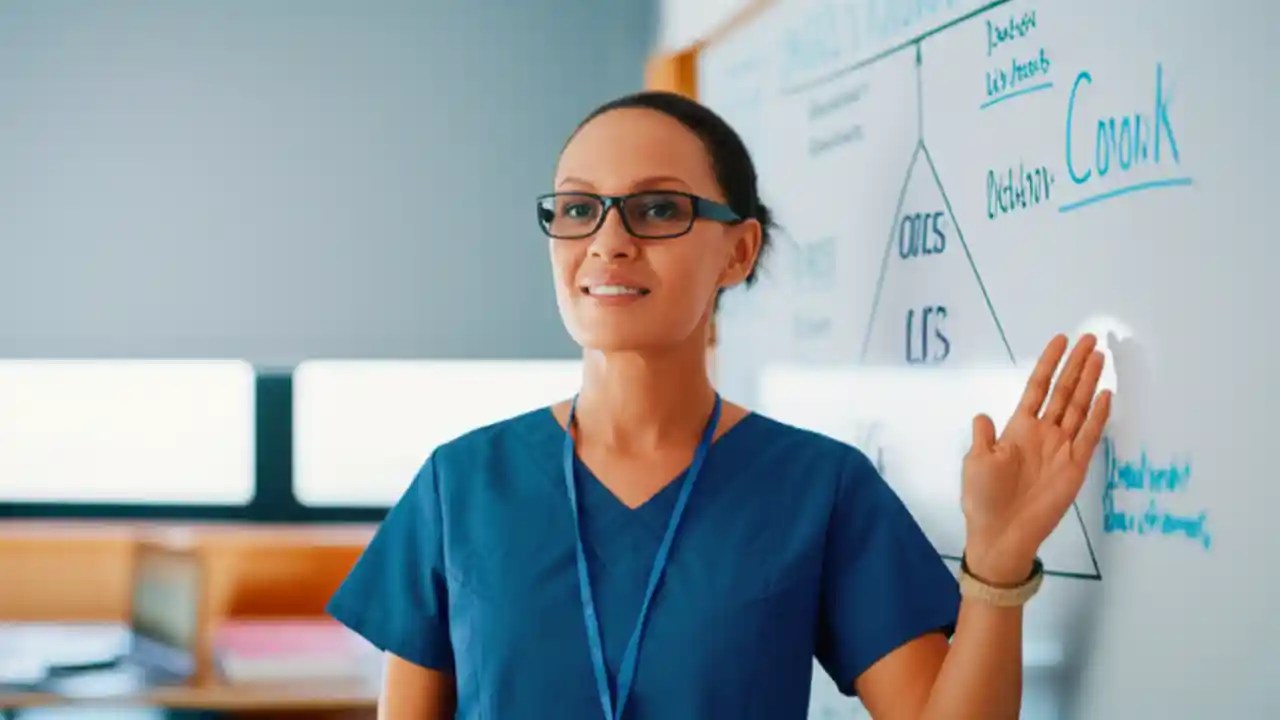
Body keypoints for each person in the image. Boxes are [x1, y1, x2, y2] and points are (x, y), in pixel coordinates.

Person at [325, 90, 1112, 719]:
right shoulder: (460, 485)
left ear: (738, 250)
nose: (607, 241)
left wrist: (998, 560)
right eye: (576, 208)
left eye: (658, 209)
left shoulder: (819, 490)